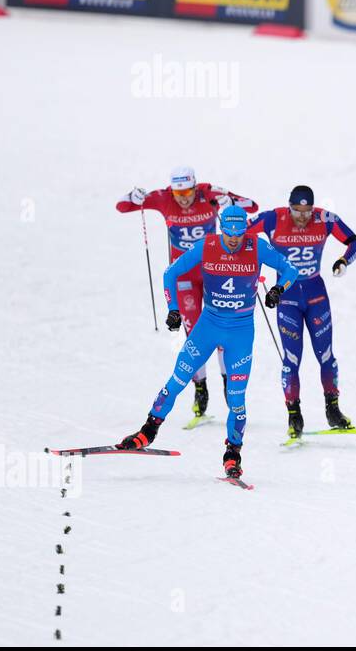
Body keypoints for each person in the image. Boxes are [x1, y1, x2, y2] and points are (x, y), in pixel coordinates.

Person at [118, 206, 300, 481]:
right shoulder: (207, 245)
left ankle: (232, 455)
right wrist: (173, 309)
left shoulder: (256, 246)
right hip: (208, 325)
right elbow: (170, 273)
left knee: (237, 400)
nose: (235, 241)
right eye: (229, 235)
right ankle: (148, 431)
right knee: (177, 380)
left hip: (240, 332)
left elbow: (290, 269)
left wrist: (278, 290)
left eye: (239, 235)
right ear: (221, 229)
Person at [116, 167, 258, 421]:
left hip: (216, 271)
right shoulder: (164, 198)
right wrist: (133, 196)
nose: (183, 198)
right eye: (178, 192)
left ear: (195, 187)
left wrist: (231, 201)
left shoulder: (209, 194)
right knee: (194, 334)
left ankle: (228, 384)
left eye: (188, 191)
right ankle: (200, 389)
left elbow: (252, 206)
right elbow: (122, 207)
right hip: (184, 276)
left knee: (223, 328)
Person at [247, 185, 356, 439]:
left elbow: (355, 243)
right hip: (286, 297)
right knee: (291, 359)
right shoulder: (273, 218)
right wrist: (253, 266)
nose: (302, 216)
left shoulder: (324, 218)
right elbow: (239, 234)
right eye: (296, 211)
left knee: (327, 355)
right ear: (289, 207)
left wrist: (343, 261)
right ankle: (294, 416)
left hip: (316, 294)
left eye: (306, 211)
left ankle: (333, 410)